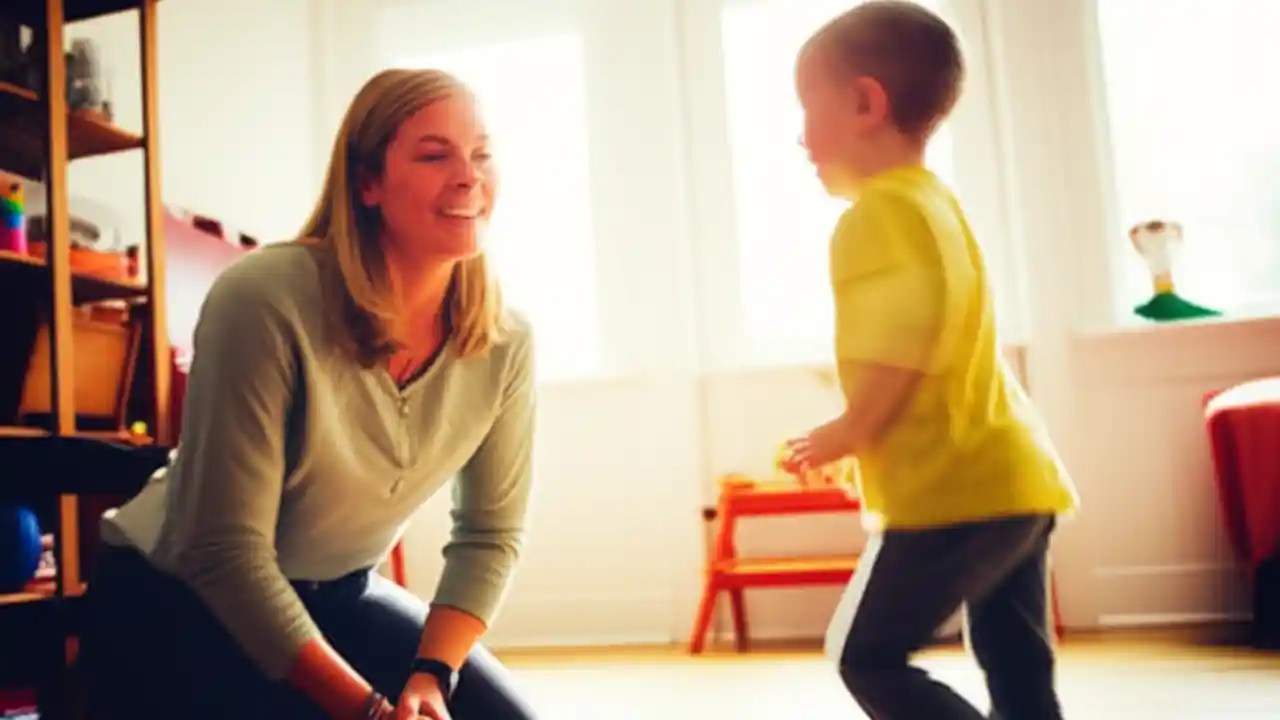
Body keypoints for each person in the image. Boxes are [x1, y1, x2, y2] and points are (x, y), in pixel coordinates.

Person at [79, 68, 541, 720]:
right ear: (367, 183)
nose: (469, 175)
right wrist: (369, 711)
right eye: (436, 155)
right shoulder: (266, 296)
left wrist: (430, 678)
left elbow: (492, 534)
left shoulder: (506, 340)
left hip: (337, 593)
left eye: (482, 153)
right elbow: (224, 552)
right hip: (177, 601)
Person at [781, 2, 1080, 718]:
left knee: (867, 656)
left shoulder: (877, 215)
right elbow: (933, 332)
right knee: (1014, 656)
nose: (800, 138)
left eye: (807, 111)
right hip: (1017, 478)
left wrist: (850, 428)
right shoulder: (935, 202)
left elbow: (901, 342)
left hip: (958, 492)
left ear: (863, 102)